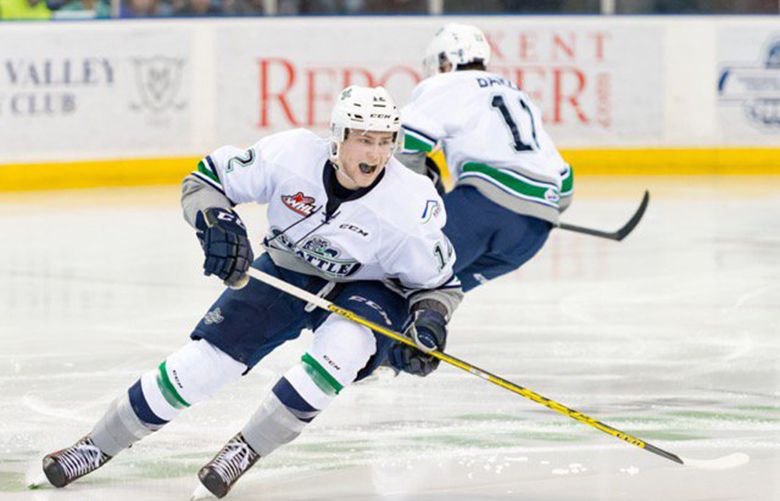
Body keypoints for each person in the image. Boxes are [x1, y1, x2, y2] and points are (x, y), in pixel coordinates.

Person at [38, 85, 462, 499]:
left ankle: (247, 447)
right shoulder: (291, 154)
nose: (375, 154)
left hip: (372, 287)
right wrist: (214, 219)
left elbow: (440, 286)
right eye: (365, 140)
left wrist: (426, 322)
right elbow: (204, 180)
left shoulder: (409, 203)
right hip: (287, 267)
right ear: (338, 137)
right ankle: (96, 445)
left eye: (385, 142)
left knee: (341, 352)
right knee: (203, 366)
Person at [389, 24, 573, 377]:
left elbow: (408, 144)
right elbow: (564, 186)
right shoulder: (517, 92)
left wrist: (416, 197)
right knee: (445, 284)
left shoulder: (445, 84)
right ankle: (413, 343)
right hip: (533, 232)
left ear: (445, 62)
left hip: (483, 208)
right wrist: (530, 211)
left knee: (400, 269)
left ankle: (360, 354)